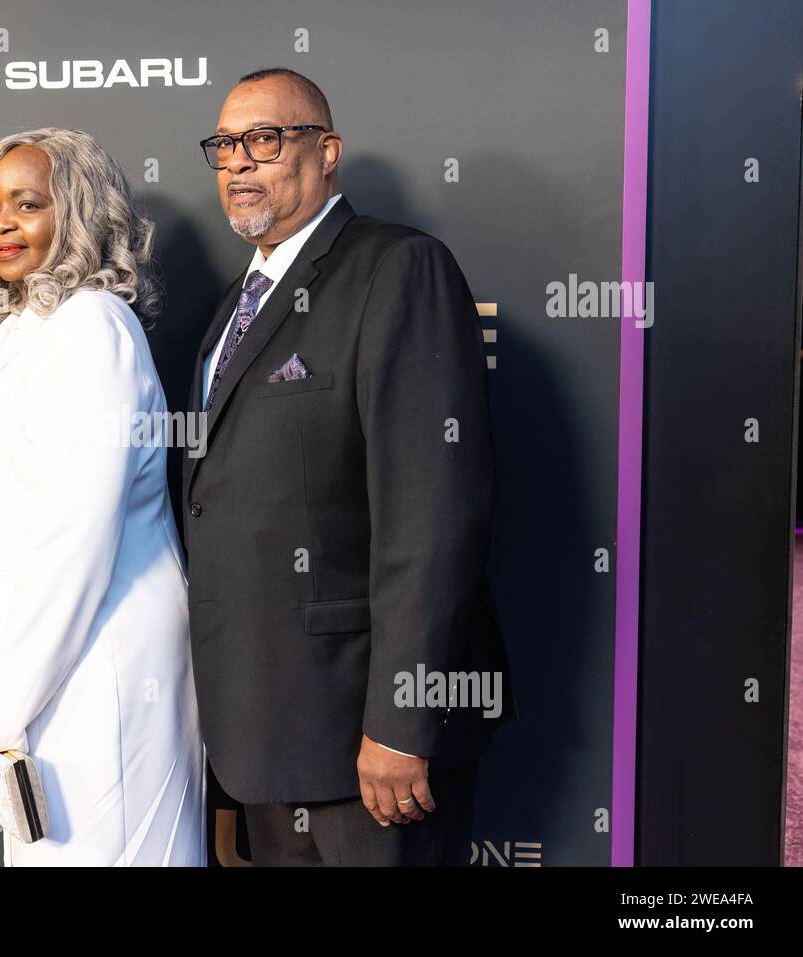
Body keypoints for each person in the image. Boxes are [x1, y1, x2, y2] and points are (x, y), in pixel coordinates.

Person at [183, 68, 517, 866]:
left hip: (367, 747)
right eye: (225, 145)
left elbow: (430, 516)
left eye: (266, 138)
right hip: (265, 740)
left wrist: (402, 723)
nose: (239, 162)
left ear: (327, 152)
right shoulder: (236, 304)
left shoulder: (398, 270)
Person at [0, 127, 206, 866]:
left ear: (79, 212)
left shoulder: (91, 328)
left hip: (105, 670)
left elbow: (73, 539)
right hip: (52, 669)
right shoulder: (32, 323)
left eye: (29, 203)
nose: (4, 224)